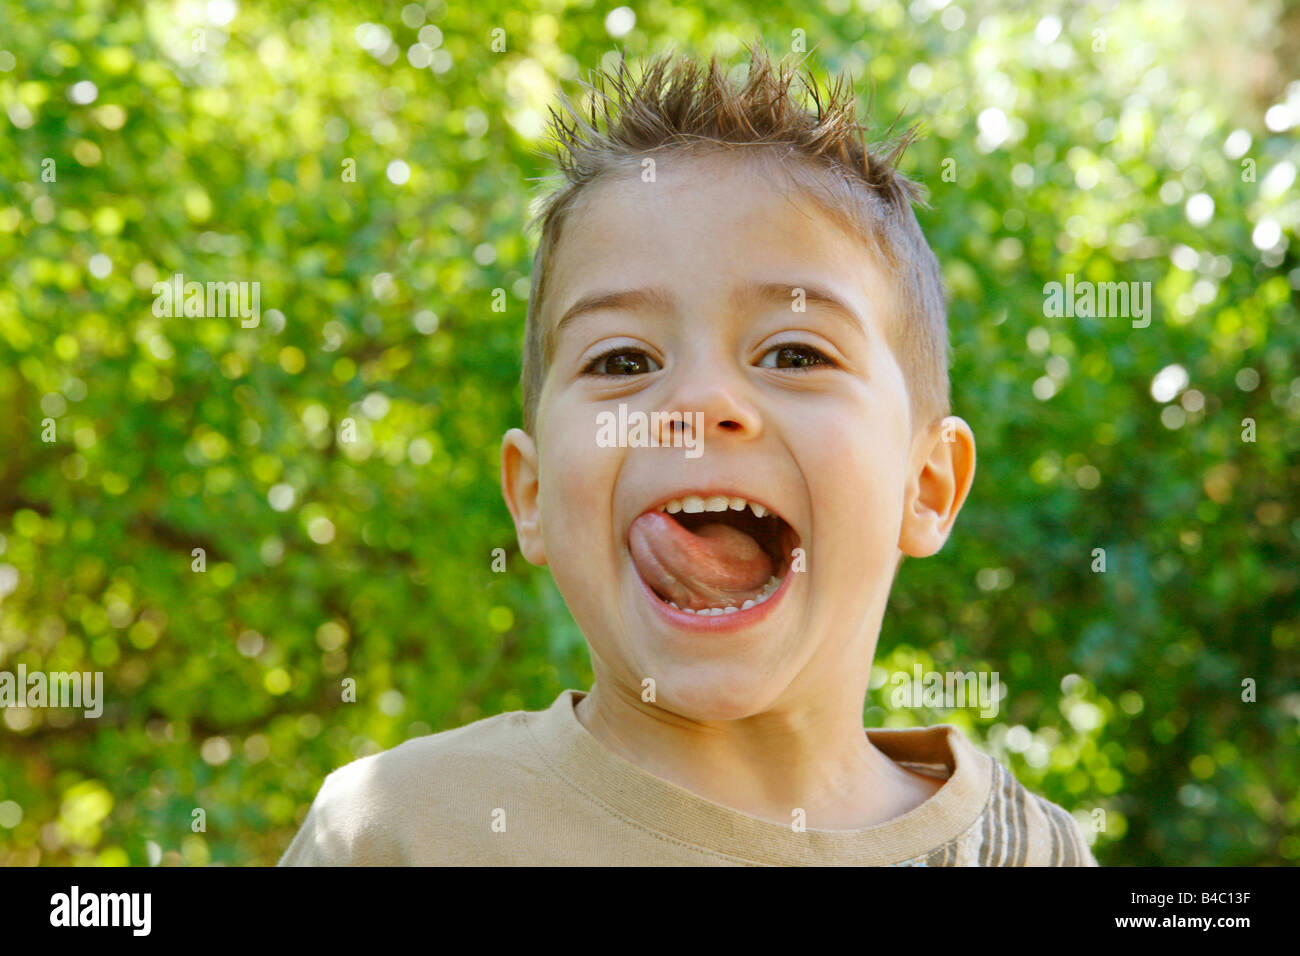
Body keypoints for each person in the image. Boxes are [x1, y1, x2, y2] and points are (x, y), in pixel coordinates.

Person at [280, 42, 1098, 866]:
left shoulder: (1036, 853)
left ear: (927, 486)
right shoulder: (401, 828)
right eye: (623, 362)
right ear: (530, 495)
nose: (697, 405)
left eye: (795, 354)